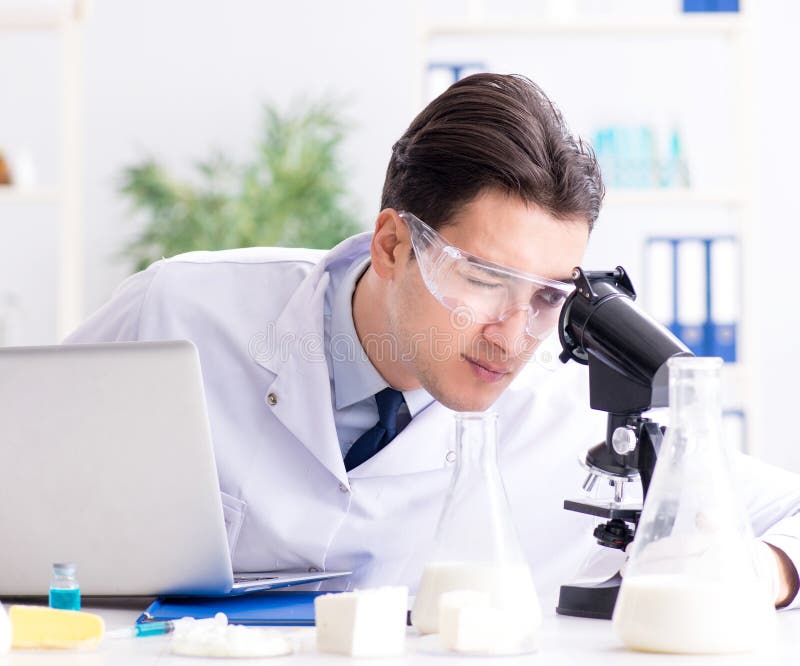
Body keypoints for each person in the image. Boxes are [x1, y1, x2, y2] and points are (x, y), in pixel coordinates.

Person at [66, 73, 800, 608]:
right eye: (484, 279)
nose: (514, 336)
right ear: (392, 245)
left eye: (547, 295)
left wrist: (756, 571)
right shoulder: (179, 312)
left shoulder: (570, 416)